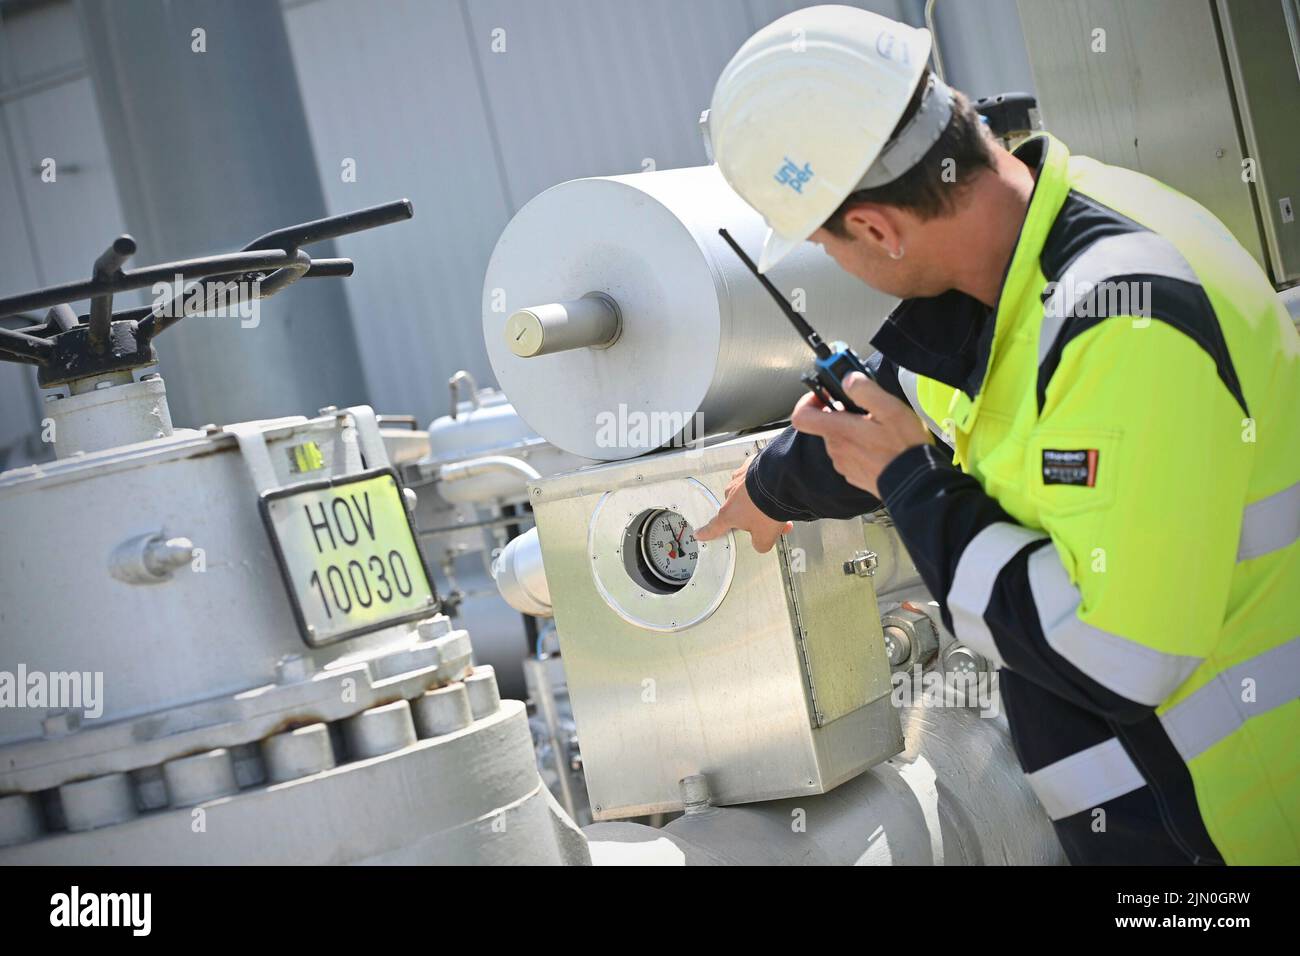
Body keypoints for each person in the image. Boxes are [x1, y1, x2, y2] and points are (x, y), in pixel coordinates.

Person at [694, 4, 1300, 865]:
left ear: (874, 228)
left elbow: (1122, 661)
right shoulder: (1011, 267)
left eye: (829, 246)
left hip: (1241, 835)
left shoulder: (1123, 320)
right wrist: (764, 491)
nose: (841, 266)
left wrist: (910, 485)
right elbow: (905, 393)